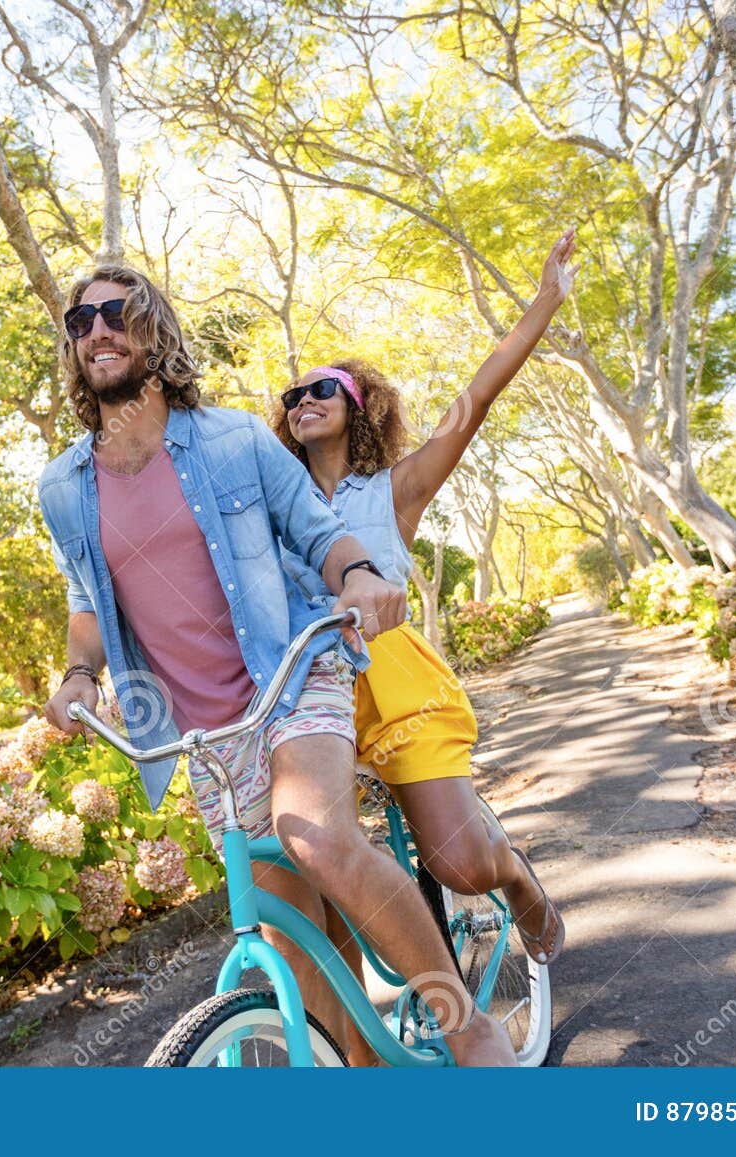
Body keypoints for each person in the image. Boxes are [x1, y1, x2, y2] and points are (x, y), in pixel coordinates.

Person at [38, 263, 515, 1065]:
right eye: (80, 322)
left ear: (155, 330)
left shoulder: (233, 439)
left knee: (316, 837)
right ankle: (363, 1075)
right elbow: (86, 604)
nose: (98, 331)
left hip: (293, 675)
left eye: (116, 313)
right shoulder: (63, 485)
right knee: (292, 934)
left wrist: (359, 576)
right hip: (202, 731)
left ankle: (468, 1026)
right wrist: (79, 674)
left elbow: (318, 532)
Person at [272, 228, 580, 981]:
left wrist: (546, 301)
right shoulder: (273, 510)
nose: (303, 400)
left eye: (321, 389)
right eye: (292, 396)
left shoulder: (396, 489)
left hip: (396, 683)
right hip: (309, 695)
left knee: (461, 865)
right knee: (322, 877)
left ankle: (516, 877)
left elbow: (475, 400)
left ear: (359, 407)